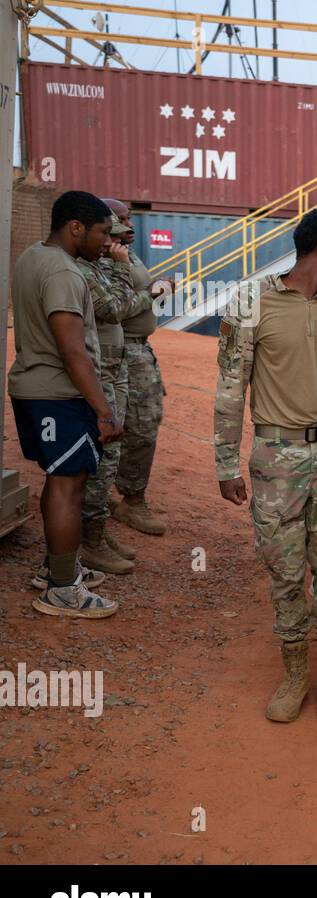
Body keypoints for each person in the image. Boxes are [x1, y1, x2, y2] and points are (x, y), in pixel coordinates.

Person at [214, 207, 317, 723]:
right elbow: (232, 388)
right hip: (275, 460)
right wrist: (225, 462)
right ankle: (294, 673)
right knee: (283, 570)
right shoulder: (251, 302)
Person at [9, 191, 122, 617]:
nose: (106, 243)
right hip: (57, 395)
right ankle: (61, 589)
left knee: (60, 480)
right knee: (69, 485)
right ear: (75, 227)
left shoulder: (33, 256)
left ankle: (55, 566)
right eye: (102, 233)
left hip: (38, 391)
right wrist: (104, 410)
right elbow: (73, 352)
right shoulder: (63, 273)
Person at [76, 212, 152, 575]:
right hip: (101, 366)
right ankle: (88, 541)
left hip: (115, 363)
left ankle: (98, 532)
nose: (113, 242)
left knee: (113, 448)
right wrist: (141, 286)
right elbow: (115, 308)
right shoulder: (87, 268)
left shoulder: (102, 264)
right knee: (103, 452)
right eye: (108, 234)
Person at [104, 199, 170, 538]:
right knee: (137, 423)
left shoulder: (126, 252)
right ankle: (130, 499)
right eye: (123, 218)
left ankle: (126, 495)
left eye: (130, 217)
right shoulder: (104, 257)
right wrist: (155, 292)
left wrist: (154, 290)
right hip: (122, 350)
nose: (130, 225)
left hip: (140, 349)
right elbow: (112, 307)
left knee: (145, 419)